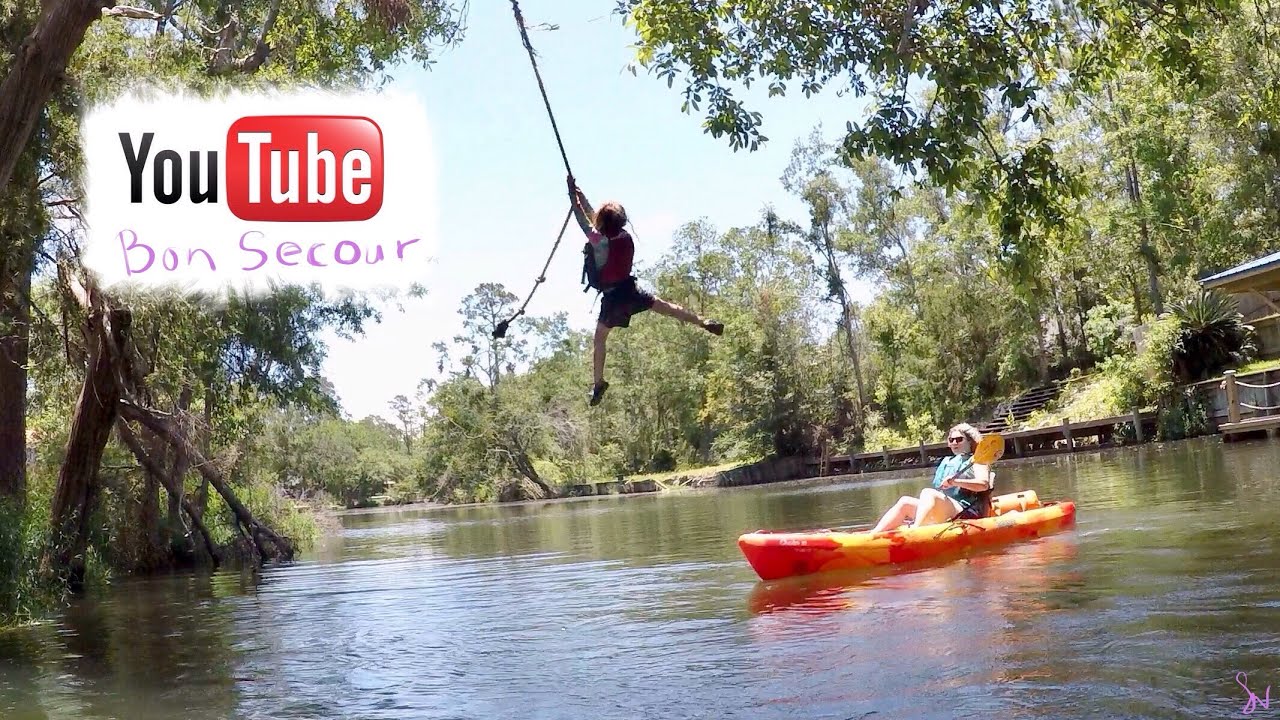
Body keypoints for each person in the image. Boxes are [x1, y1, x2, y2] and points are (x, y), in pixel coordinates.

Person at [567, 175, 724, 406]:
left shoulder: (598, 240)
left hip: (613, 298)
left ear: (602, 221)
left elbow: (584, 219)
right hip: (630, 291)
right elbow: (592, 217)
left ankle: (598, 382)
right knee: (665, 307)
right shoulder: (625, 236)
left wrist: (572, 196)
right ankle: (702, 321)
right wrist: (580, 196)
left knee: (600, 339)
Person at [869, 423, 994, 532]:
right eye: (951, 440)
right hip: (946, 509)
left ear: (970, 441)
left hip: (965, 511)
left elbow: (983, 485)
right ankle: (873, 536)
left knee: (928, 493)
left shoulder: (978, 461)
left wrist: (956, 482)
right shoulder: (948, 461)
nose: (954, 443)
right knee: (905, 502)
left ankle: (915, 531)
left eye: (959, 439)